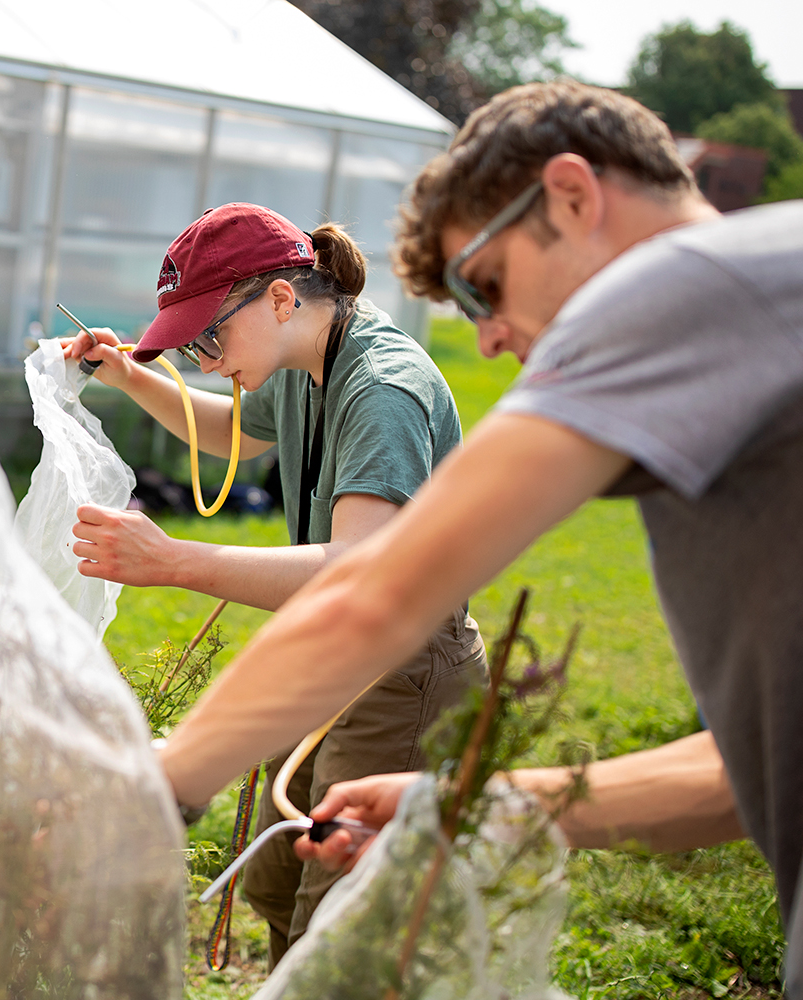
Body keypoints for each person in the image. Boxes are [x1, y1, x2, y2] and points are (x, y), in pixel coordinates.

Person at [155, 81, 803, 996]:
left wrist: (159, 786)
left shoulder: (700, 283)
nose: (490, 338)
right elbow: (747, 773)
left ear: (573, 196)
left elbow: (382, 587)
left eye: (486, 284)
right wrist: (475, 805)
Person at [63, 203, 487, 964]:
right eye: (191, 346)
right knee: (277, 877)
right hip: (330, 645)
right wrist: (129, 376)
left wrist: (173, 562)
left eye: (209, 338)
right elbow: (234, 430)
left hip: (400, 665)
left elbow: (360, 567)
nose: (205, 361)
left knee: (345, 913)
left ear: (282, 298)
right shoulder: (305, 356)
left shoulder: (382, 388)